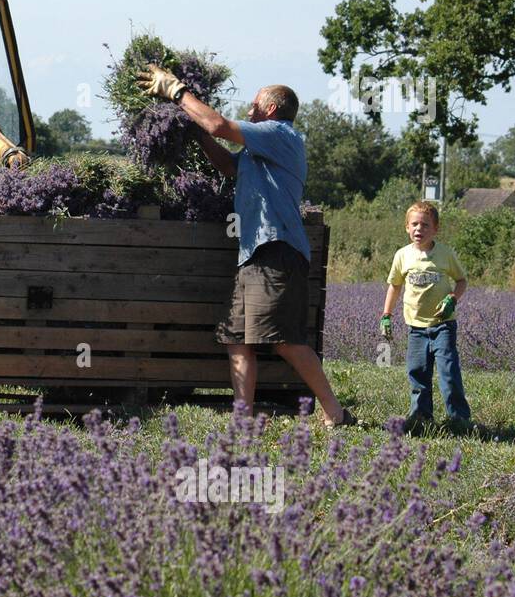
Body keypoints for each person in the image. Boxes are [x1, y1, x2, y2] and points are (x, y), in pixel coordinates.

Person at [138, 65, 357, 428]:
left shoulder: (279, 134)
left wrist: (177, 92)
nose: (249, 110)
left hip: (278, 249)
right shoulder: (260, 150)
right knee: (238, 340)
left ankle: (335, 412)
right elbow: (226, 163)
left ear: (271, 109)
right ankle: (243, 418)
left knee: (285, 340)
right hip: (253, 253)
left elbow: (220, 126)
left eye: (255, 104)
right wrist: (194, 129)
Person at [380, 201, 472, 433]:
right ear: (407, 228)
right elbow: (394, 286)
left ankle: (459, 420)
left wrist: (452, 299)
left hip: (443, 325)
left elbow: (461, 281)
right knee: (418, 372)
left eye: (425, 224)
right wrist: (386, 315)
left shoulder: (445, 254)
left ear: (436, 229)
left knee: (448, 372)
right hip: (416, 329)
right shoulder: (402, 256)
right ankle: (421, 418)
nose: (419, 229)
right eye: (414, 224)